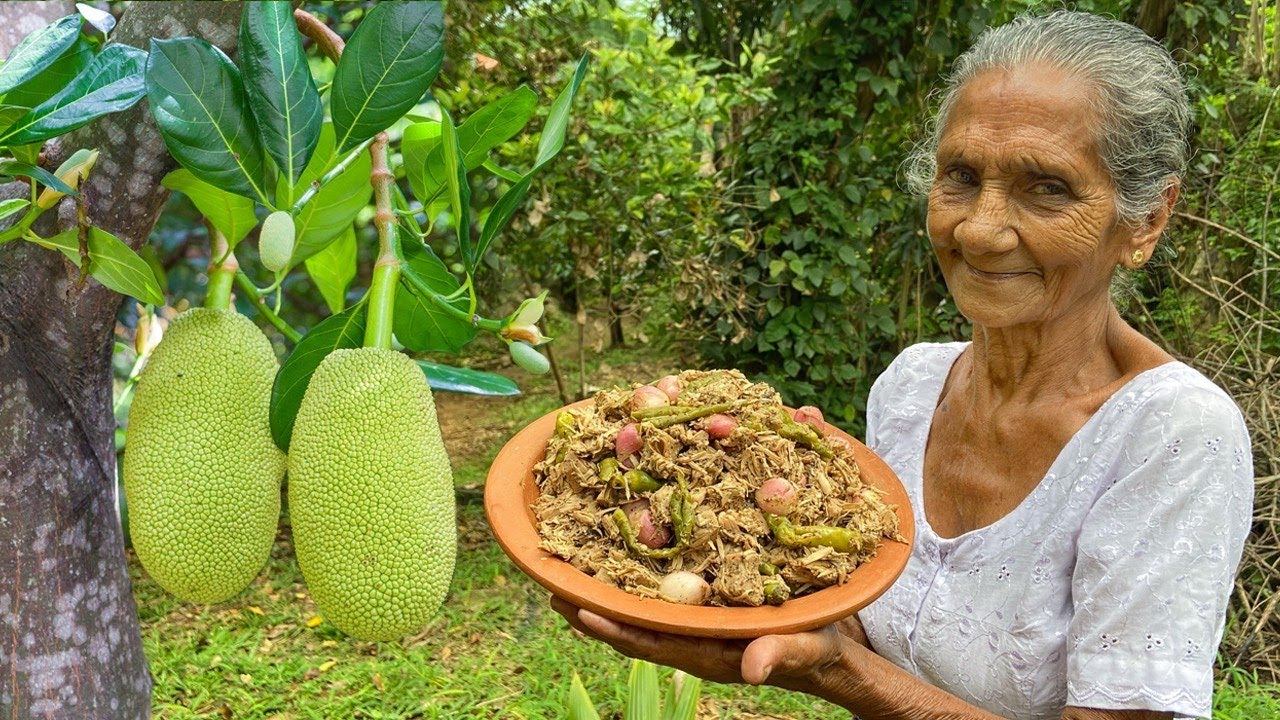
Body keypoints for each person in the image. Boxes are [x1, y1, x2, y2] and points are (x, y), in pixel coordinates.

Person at [552, 10, 1254, 720]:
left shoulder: (1172, 436)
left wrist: (839, 674)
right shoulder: (913, 387)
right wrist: (735, 581)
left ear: (1145, 222)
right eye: (961, 176)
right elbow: (868, 617)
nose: (978, 227)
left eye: (1047, 187)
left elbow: (857, 668)